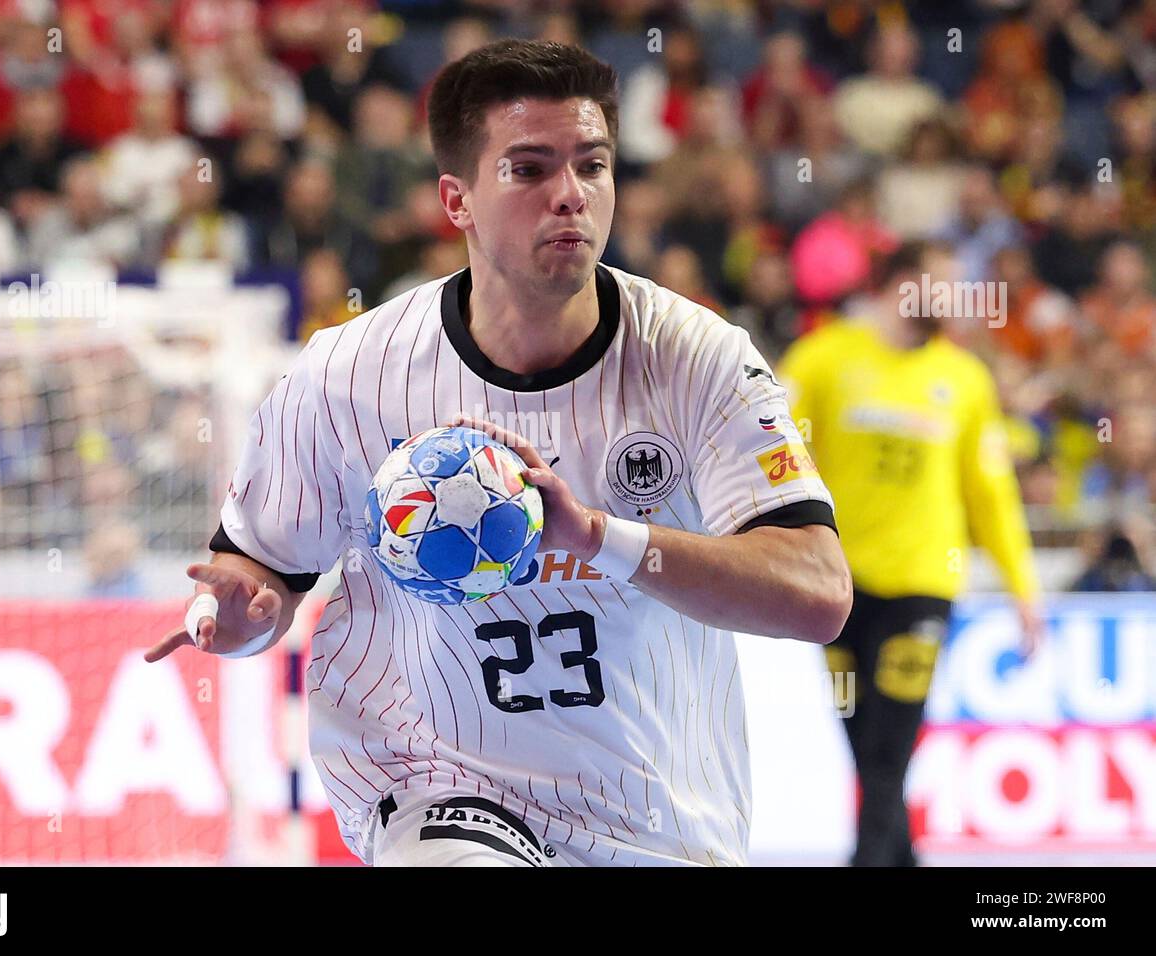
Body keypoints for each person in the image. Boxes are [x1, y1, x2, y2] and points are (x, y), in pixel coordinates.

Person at [146, 39, 852, 867]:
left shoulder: (699, 357)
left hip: (662, 818)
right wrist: (243, 617)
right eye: (529, 170)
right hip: (434, 786)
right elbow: (259, 578)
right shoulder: (345, 375)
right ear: (458, 201)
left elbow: (818, 594)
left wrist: (598, 538)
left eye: (592, 166)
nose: (570, 197)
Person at [779, 240, 1044, 867]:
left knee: (891, 744)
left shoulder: (964, 379)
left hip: (925, 583)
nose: (957, 298)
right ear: (900, 284)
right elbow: (771, 448)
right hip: (838, 586)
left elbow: (992, 493)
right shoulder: (824, 359)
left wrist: (1023, 590)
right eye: (944, 282)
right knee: (863, 742)